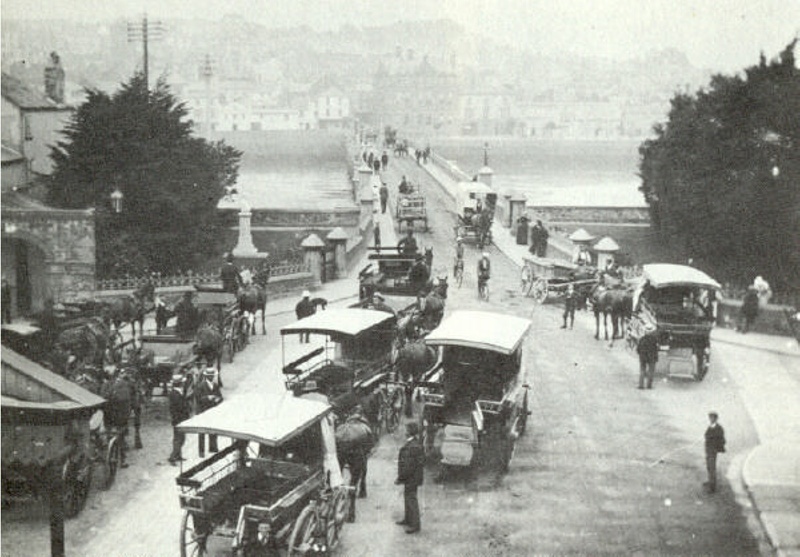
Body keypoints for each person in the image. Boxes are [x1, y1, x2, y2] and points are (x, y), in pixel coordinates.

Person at [395, 422, 425, 534]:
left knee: (411, 499)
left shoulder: (412, 446)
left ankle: (415, 525)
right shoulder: (414, 443)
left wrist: (400, 478)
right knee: (408, 497)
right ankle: (408, 519)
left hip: (411, 477)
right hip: (413, 477)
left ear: (409, 432)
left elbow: (408, 466)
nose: (404, 431)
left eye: (405, 429)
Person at [100, 368, 132, 468]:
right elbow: (127, 401)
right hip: (119, 415)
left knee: (111, 434)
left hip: (110, 415)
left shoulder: (106, 385)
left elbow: (102, 398)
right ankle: (122, 459)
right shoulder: (123, 384)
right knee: (120, 436)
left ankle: (110, 455)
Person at [196, 367, 223, 457]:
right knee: (202, 432)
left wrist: (217, 399)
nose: (211, 377)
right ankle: (201, 451)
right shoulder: (200, 386)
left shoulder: (215, 385)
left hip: (212, 411)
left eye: (212, 376)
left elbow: (220, 397)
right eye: (210, 376)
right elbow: (198, 399)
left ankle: (213, 448)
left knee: (213, 430)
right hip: (203, 411)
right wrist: (207, 398)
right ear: (206, 376)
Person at [167, 374, 190, 465]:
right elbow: (179, 407)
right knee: (179, 438)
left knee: (180, 438)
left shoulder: (177, 392)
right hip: (179, 419)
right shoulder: (175, 394)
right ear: (180, 383)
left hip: (179, 418)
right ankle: (173, 457)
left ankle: (178, 455)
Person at [704, 411, 726, 493]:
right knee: (709, 466)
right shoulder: (711, 426)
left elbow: (722, 440)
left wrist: (717, 448)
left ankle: (712, 486)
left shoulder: (719, 428)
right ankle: (710, 481)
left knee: (712, 467)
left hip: (713, 450)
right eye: (710, 418)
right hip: (708, 449)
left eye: (713, 418)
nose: (711, 419)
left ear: (716, 419)